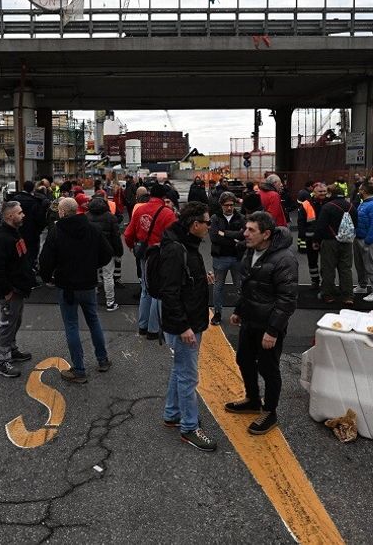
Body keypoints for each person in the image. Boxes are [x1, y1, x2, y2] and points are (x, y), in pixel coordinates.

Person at [228, 210, 298, 435]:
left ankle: (270, 412)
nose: (245, 233)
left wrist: (273, 330)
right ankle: (252, 400)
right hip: (250, 320)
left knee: (268, 369)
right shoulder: (251, 251)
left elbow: (287, 299)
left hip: (268, 326)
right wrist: (239, 310)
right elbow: (248, 286)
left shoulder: (285, 259)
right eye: (245, 229)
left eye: (251, 230)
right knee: (244, 360)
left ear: (266, 234)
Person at [155, 201, 215, 452]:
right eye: (207, 222)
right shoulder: (176, 249)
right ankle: (189, 427)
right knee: (188, 376)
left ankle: (172, 414)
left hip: (190, 319)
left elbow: (182, 280)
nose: (210, 226)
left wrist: (201, 279)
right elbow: (169, 292)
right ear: (195, 225)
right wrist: (183, 327)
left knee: (180, 369)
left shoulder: (185, 244)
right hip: (185, 323)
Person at [38, 197, 114, 383]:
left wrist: (48, 277)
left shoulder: (57, 231)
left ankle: (79, 369)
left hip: (67, 285)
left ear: (62, 212)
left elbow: (45, 260)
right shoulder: (92, 228)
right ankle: (102, 359)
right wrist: (92, 265)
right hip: (88, 283)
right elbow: (107, 253)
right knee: (93, 320)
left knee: (71, 325)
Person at [0, 201, 36, 378]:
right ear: (9, 216)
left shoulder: (14, 233)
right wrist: (7, 290)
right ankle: (1, 362)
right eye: (19, 213)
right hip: (10, 291)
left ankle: (11, 349)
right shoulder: (1, 238)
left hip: (18, 289)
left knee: (16, 321)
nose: (23, 215)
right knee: (7, 325)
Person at [123, 185, 177, 339]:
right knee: (158, 291)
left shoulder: (140, 210)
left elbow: (128, 234)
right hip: (160, 255)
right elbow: (174, 237)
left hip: (144, 254)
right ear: (164, 197)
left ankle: (143, 325)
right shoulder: (167, 213)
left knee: (145, 290)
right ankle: (153, 329)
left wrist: (132, 246)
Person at [312, 184, 353, 305]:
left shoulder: (328, 207)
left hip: (330, 241)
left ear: (330, 193)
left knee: (328, 269)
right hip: (347, 242)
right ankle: (348, 296)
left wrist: (316, 241)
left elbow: (321, 226)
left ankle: (328, 295)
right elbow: (355, 222)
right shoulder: (351, 206)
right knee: (346, 269)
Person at [209, 191, 245, 325]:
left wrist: (224, 233)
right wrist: (235, 239)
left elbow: (243, 236)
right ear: (221, 205)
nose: (229, 208)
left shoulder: (241, 217)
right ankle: (217, 313)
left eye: (231, 205)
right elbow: (214, 237)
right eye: (226, 205)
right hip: (220, 257)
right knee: (218, 287)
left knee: (240, 287)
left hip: (237, 258)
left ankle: (239, 314)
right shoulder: (215, 218)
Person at [86, 195, 123, 311]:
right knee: (108, 276)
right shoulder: (111, 217)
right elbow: (116, 237)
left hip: (91, 250)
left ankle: (91, 299)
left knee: (92, 274)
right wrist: (119, 253)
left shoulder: (86, 217)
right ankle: (110, 302)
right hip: (108, 250)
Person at [352, 182, 373, 302]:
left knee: (370, 265)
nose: (358, 192)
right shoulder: (364, 203)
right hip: (359, 237)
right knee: (359, 264)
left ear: (364, 191)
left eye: (359, 190)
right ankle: (362, 286)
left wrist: (368, 241)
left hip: (367, 239)